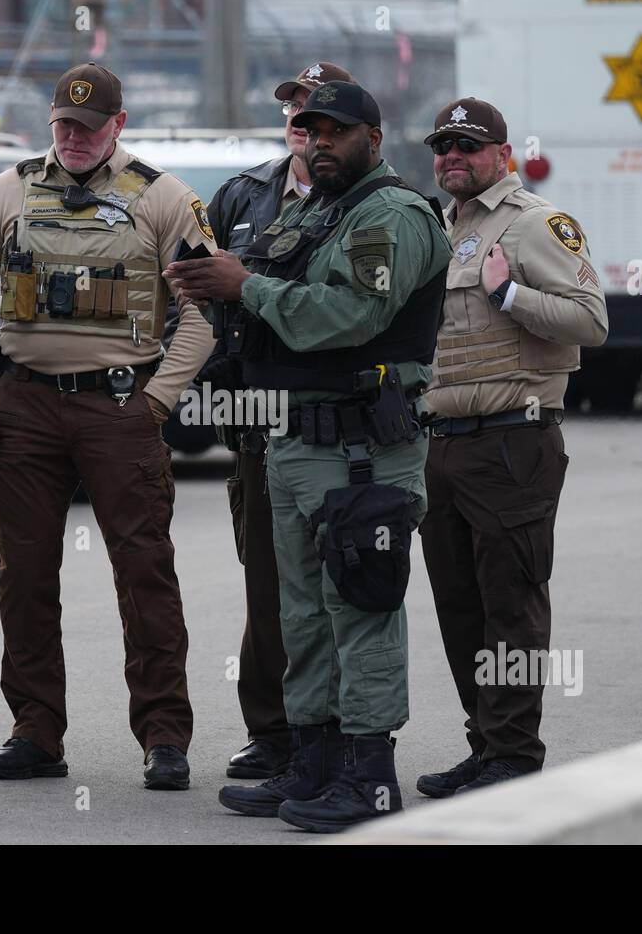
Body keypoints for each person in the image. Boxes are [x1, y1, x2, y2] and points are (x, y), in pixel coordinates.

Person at [166, 81, 452, 832]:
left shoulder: (390, 214)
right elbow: (268, 306)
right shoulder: (308, 210)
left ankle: (370, 779)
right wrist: (210, 287)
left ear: (373, 137)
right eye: (307, 128)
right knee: (303, 617)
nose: (320, 141)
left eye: (335, 130)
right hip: (294, 440)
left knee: (360, 609)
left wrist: (246, 284)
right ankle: (314, 763)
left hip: (361, 449)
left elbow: (351, 316)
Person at [0, 63, 216, 790]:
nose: (75, 138)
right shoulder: (5, 193)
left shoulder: (164, 199)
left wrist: (159, 400)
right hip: (23, 406)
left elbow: (206, 313)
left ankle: (163, 737)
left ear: (118, 126)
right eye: (64, 124)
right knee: (23, 575)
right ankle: (34, 732)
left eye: (89, 128)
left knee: (144, 572)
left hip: (121, 403)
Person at [413, 98, 607, 798]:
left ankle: (515, 756)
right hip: (442, 445)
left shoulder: (534, 224)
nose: (452, 157)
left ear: (501, 152)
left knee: (511, 608)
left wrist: (510, 294)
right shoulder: (439, 228)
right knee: (459, 606)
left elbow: (591, 320)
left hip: (512, 442)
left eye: (467, 145)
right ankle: (485, 743)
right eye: (443, 146)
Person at [205, 61, 356, 781]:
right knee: (269, 586)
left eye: (319, 113)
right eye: (296, 109)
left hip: (340, 421)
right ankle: (272, 733)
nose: (303, 122)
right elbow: (197, 290)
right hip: (258, 420)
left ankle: (341, 736)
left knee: (345, 585)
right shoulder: (242, 194)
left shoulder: (369, 201)